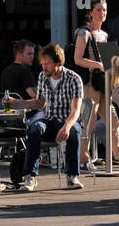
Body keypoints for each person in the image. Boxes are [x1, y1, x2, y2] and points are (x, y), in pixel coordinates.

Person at [16, 44, 84, 191]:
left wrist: (66, 126)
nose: (43, 67)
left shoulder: (74, 79)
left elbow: (76, 110)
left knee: (74, 131)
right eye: (42, 64)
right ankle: (30, 176)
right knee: (35, 128)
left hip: (68, 120)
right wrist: (17, 103)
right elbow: (40, 102)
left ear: (58, 63)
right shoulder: (42, 76)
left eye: (46, 64)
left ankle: (72, 176)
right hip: (50, 120)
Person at [75, 0, 119, 160]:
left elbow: (108, 60)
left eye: (104, 10)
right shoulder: (84, 33)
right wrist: (98, 65)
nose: (102, 13)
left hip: (103, 82)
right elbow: (77, 59)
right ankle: (82, 159)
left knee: (112, 119)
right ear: (90, 13)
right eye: (99, 10)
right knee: (88, 122)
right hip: (89, 84)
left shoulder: (104, 34)